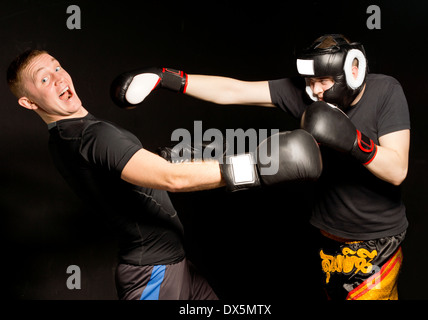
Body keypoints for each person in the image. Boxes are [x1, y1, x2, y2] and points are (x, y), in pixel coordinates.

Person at [111, 34, 411, 300]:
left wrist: (352, 139)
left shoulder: (385, 91)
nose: (316, 91)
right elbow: (234, 91)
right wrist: (169, 78)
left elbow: (397, 170)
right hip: (328, 236)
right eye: (310, 82)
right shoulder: (305, 95)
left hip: (377, 240)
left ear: (354, 71)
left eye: (323, 82)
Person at [6, 49, 322, 300]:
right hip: (152, 273)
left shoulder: (62, 138)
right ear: (27, 101)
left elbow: (116, 175)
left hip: (174, 264)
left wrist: (170, 155)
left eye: (57, 67)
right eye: (44, 79)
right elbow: (172, 178)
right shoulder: (92, 136)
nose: (59, 79)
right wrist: (256, 167)